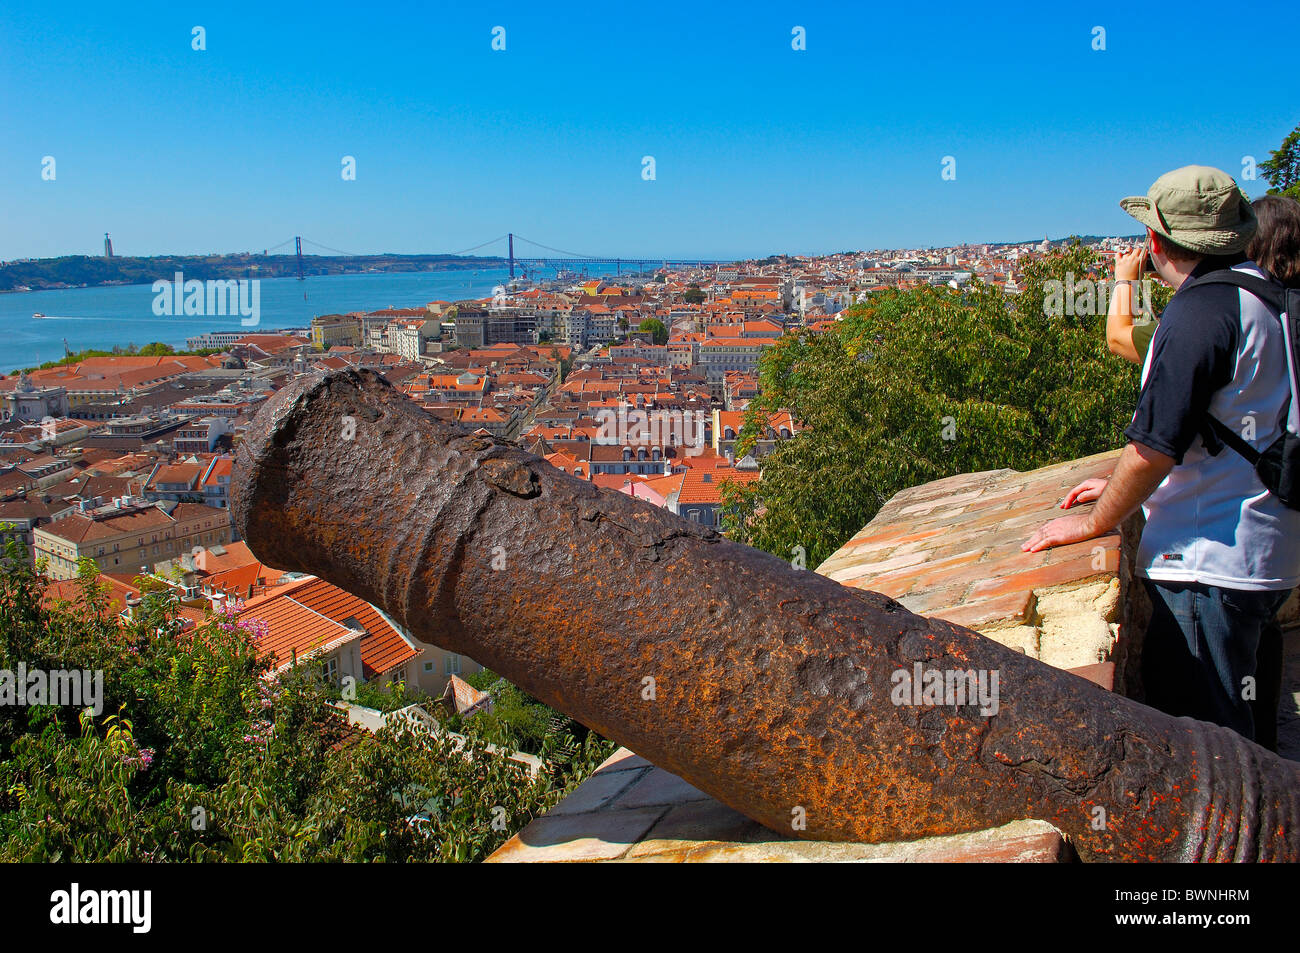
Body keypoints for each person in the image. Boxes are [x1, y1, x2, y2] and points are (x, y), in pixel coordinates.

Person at [1024, 167, 1300, 742]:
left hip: (1208, 558)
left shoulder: (1202, 313)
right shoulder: (1263, 295)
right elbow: (1214, 426)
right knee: (1253, 724)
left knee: (1215, 746)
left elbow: (1154, 449)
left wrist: (1097, 521)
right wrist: (1119, 482)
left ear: (1155, 241)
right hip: (1268, 545)